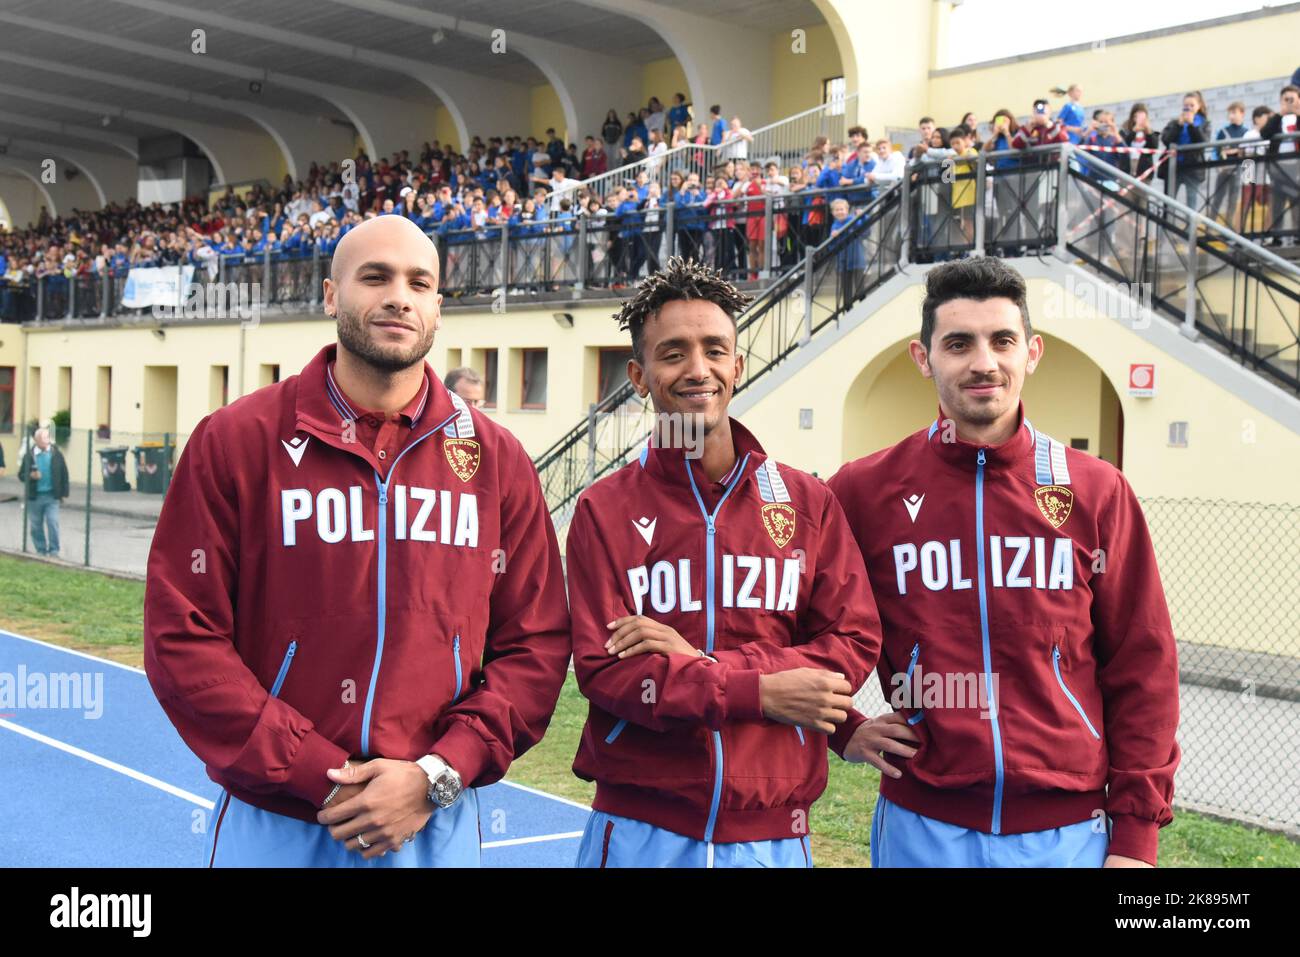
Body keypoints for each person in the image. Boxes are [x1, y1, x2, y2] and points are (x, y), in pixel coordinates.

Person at [143, 215, 572, 867]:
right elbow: (182, 635)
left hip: (432, 819)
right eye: (376, 277)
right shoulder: (236, 442)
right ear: (330, 295)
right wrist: (318, 770)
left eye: (419, 282)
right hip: (281, 817)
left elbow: (536, 643)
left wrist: (437, 773)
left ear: (437, 307)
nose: (399, 295)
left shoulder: (497, 460)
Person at [828, 257, 1181, 868]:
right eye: (958, 344)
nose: (983, 363)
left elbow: (1143, 666)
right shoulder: (862, 491)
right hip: (923, 824)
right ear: (924, 358)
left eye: (1002, 341)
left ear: (1032, 352)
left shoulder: (1096, 490)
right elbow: (801, 628)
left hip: (1068, 832)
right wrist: (843, 728)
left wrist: (1136, 839)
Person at [568, 256, 882, 868]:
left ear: (737, 365)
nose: (697, 369)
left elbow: (853, 639)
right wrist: (757, 690)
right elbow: (606, 675)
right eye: (673, 353)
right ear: (638, 375)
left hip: (773, 834)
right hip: (640, 828)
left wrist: (706, 665)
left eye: (715, 349)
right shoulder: (602, 510)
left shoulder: (806, 501)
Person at [1257, 84, 1300, 245]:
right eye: (1285, 99)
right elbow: (1264, 134)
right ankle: (1276, 236)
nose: (1289, 102)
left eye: (1292, 99)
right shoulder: (1276, 118)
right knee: (1277, 203)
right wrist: (1280, 114)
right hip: (1278, 167)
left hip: (1297, 165)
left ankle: (1297, 235)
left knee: (1297, 203)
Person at [21, 427, 69, 557]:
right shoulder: (29, 455)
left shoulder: (55, 454)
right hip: (35, 497)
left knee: (52, 522)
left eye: (47, 437)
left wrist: (64, 493)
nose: (46, 440)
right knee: (36, 525)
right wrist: (30, 475)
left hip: (51, 496)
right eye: (43, 438)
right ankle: (41, 550)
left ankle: (54, 550)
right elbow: (21, 475)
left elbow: (64, 473)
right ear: (36, 440)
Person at [1161, 92, 1212, 213]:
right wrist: (1179, 125)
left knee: (1191, 202)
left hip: (1193, 168)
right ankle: (1167, 229)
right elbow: (1166, 140)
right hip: (1174, 167)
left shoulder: (1204, 123)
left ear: (1198, 106)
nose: (1188, 108)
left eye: (1191, 105)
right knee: (1169, 202)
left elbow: (1203, 143)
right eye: (1185, 105)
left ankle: (1190, 230)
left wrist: (1192, 125)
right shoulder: (1175, 122)